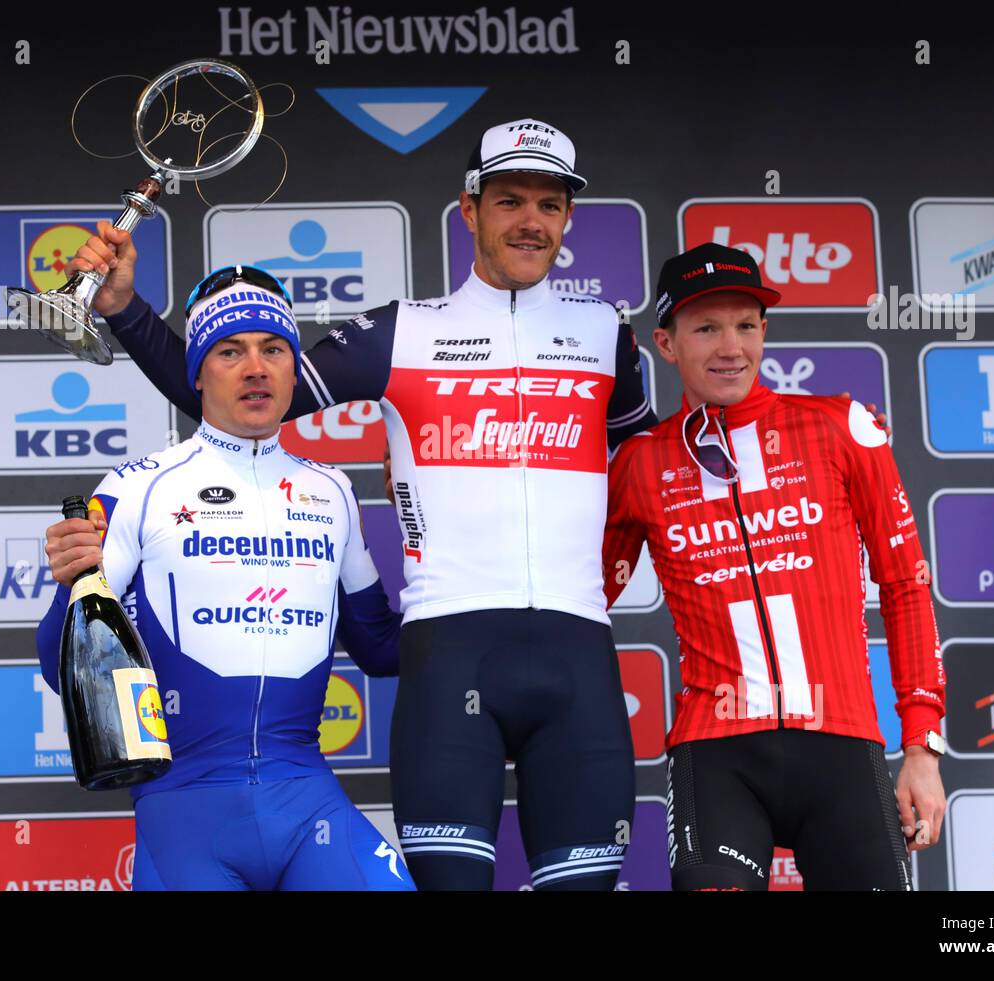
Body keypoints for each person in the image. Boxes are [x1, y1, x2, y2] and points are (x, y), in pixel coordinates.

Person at [56, 118, 656, 891]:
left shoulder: (607, 334)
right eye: (509, 200)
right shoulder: (403, 332)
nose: (530, 221)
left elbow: (647, 472)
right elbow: (234, 393)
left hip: (578, 652)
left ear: (570, 215)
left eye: (550, 203)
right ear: (469, 208)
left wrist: (605, 577)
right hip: (449, 651)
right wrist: (125, 308)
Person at [35, 271, 414, 891]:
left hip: (307, 801)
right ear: (197, 374)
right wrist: (71, 581)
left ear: (294, 371)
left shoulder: (333, 491)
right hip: (186, 812)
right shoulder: (138, 487)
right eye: (230, 351)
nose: (256, 368)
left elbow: (380, 646)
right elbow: (64, 667)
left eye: (274, 350)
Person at [603, 243, 947, 891]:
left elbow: (906, 584)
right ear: (666, 344)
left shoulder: (842, 426)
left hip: (843, 743)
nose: (730, 347)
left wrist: (922, 748)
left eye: (745, 325)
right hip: (716, 752)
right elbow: (581, 599)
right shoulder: (641, 461)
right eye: (707, 328)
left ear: (764, 330)